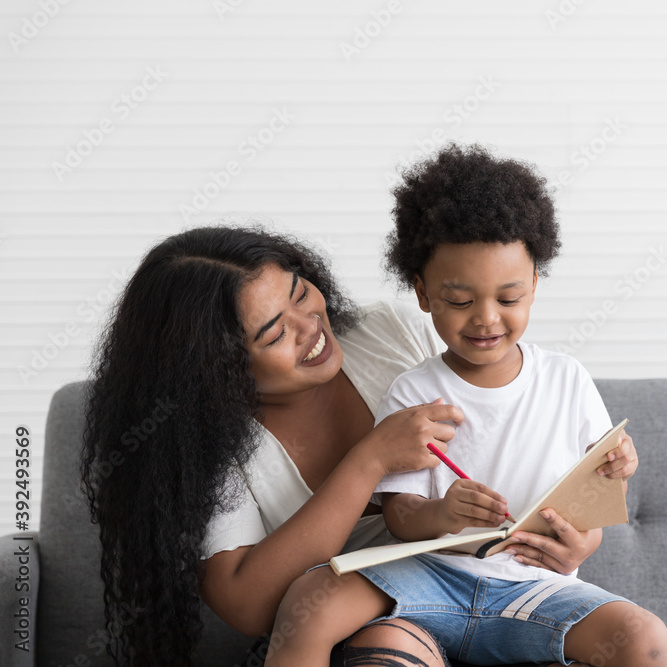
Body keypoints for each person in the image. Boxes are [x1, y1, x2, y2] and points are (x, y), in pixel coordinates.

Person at [80, 225, 626, 666]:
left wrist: (571, 540)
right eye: (275, 333)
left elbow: (517, 440)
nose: (310, 327)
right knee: (384, 648)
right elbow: (247, 605)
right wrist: (370, 460)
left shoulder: (387, 333)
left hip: (486, 591)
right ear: (217, 368)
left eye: (301, 294)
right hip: (352, 628)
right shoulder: (211, 445)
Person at [265, 144, 667, 667]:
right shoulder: (412, 391)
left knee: (646, 637)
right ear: (422, 293)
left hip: (534, 586)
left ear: (534, 286)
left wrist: (599, 507)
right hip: (431, 578)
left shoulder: (567, 379)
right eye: (459, 301)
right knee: (310, 602)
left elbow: (593, 501)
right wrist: (442, 514)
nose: (486, 318)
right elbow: (400, 518)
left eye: (508, 298)